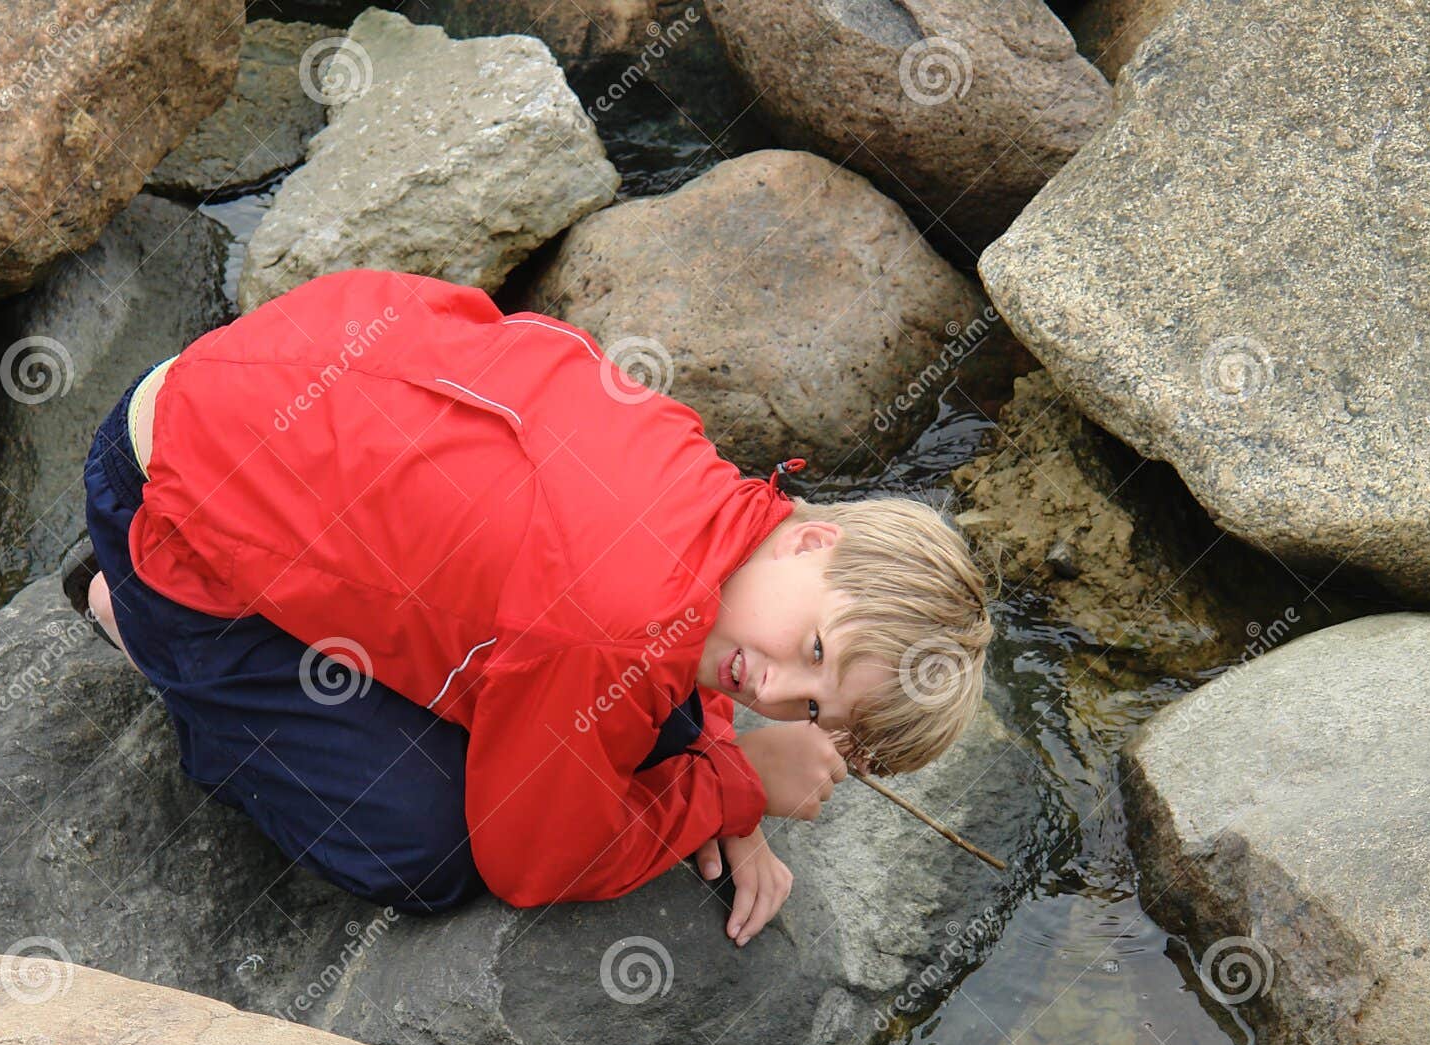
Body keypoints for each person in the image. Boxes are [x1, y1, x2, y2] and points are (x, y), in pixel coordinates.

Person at [66, 268, 994, 943]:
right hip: (170, 509)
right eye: (818, 649)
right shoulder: (615, 625)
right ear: (812, 540)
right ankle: (147, 628)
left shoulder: (703, 486)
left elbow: (673, 636)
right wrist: (732, 784)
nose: (777, 685)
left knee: (626, 717)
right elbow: (531, 859)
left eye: (812, 707)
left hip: (255, 370)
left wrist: (709, 742)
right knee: (427, 844)